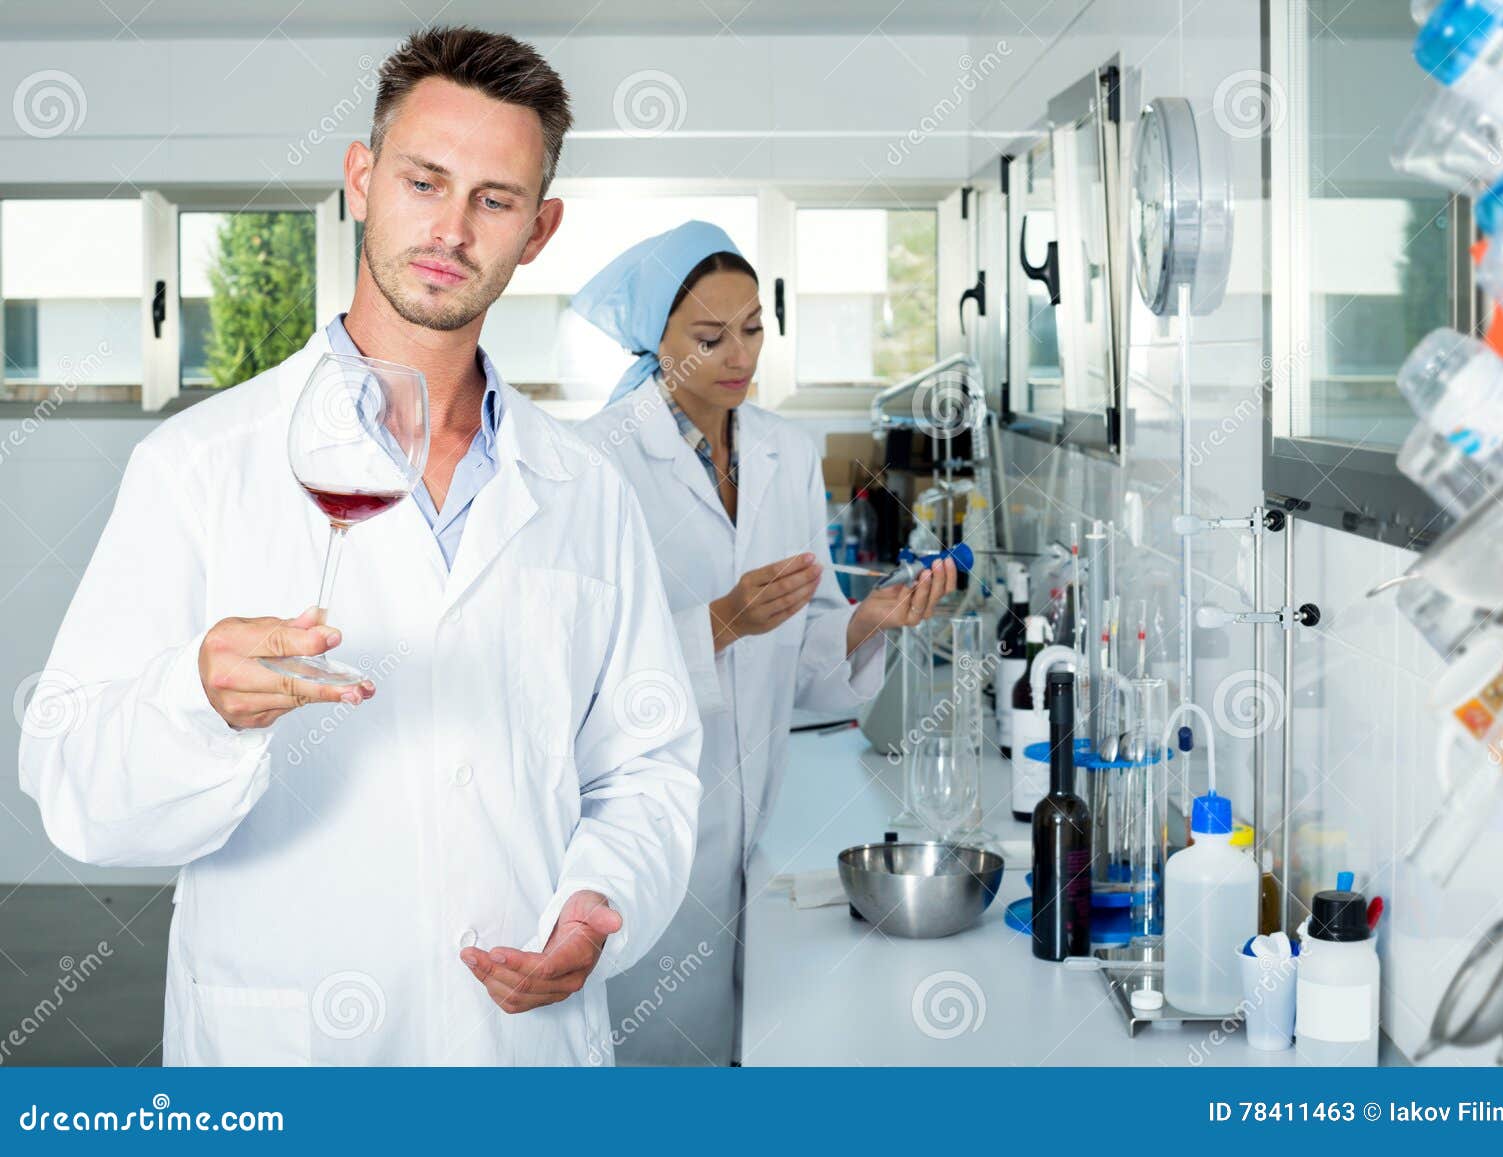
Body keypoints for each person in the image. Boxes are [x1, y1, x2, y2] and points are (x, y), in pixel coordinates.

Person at [17, 27, 702, 1067]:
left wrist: (598, 906)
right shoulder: (197, 463)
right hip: (287, 1052)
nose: (452, 229)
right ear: (362, 178)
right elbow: (75, 789)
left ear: (540, 227)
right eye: (425, 180)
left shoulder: (585, 491)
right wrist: (197, 706)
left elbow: (645, 763)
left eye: (494, 198)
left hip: (520, 1049)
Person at [575, 222, 956, 1065]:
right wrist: (720, 622)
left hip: (763, 820)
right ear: (657, 340)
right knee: (658, 1061)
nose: (738, 354)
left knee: (771, 1042)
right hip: (652, 828)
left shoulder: (786, 449)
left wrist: (865, 621)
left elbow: (808, 632)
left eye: (753, 327)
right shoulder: (593, 463)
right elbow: (575, 674)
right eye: (709, 337)